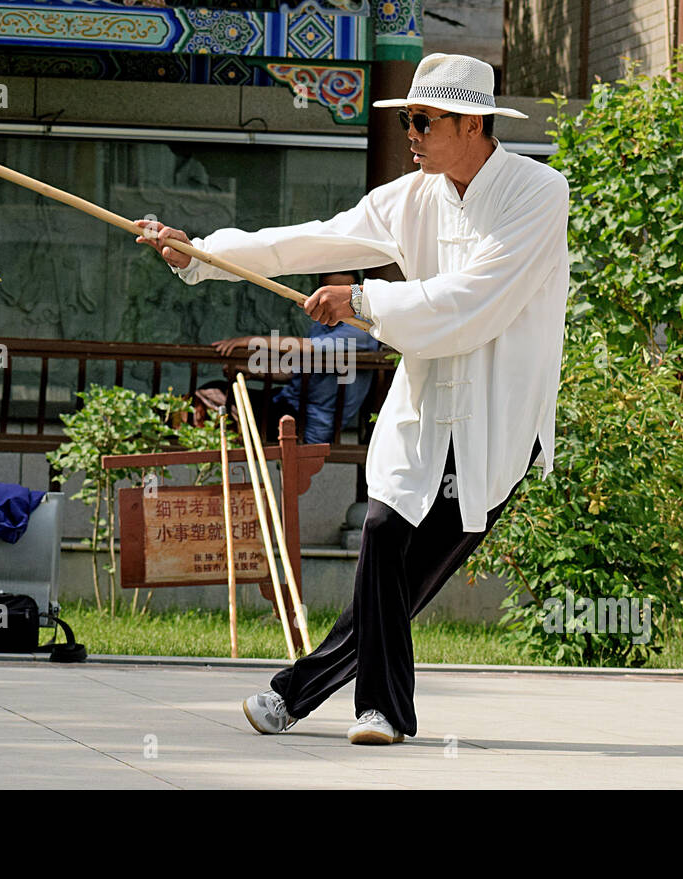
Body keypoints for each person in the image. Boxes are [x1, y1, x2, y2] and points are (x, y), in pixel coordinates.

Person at [136, 53, 569, 745]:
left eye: (425, 121)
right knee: (381, 533)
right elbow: (308, 241)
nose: (413, 135)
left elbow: (477, 301)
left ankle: (294, 694)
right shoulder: (411, 197)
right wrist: (204, 254)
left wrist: (364, 299)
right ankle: (384, 711)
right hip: (425, 405)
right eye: (410, 122)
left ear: (472, 122)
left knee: (409, 574)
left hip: (498, 416)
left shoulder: (539, 194)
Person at [211, 270, 382, 445]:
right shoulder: (322, 326)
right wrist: (253, 372)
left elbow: (306, 347)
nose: (335, 300)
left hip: (307, 421)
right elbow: (298, 371)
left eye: (343, 293)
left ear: (355, 295)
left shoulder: (361, 330)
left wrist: (248, 341)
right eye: (330, 292)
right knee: (215, 390)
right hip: (288, 403)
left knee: (215, 398)